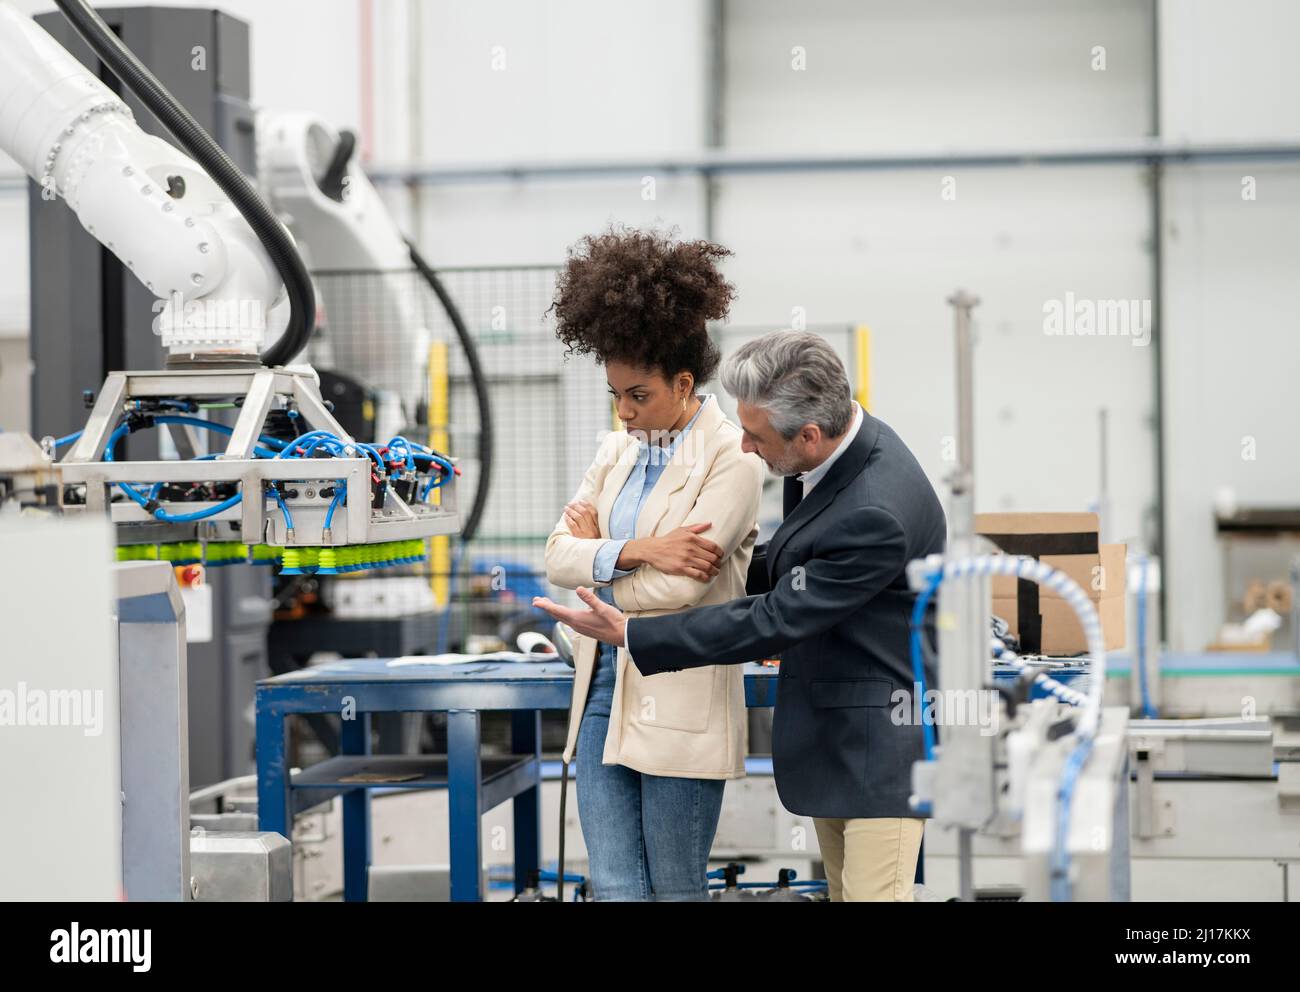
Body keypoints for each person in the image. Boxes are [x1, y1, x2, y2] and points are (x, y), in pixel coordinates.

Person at [535, 329, 946, 902]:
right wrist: (641, 553)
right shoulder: (836, 453)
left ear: (806, 434)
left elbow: (770, 617)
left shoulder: (873, 509)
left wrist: (625, 618)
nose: (746, 448)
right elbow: (784, 568)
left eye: (754, 436)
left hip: (876, 748)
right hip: (836, 731)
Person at [544, 228, 764, 901]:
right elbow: (556, 556)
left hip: (680, 689)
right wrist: (638, 549)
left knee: (674, 888)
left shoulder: (734, 457)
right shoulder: (616, 453)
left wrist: (597, 560)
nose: (624, 410)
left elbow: (684, 583)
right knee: (613, 886)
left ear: (684, 382)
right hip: (604, 689)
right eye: (616, 394)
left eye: (638, 395)